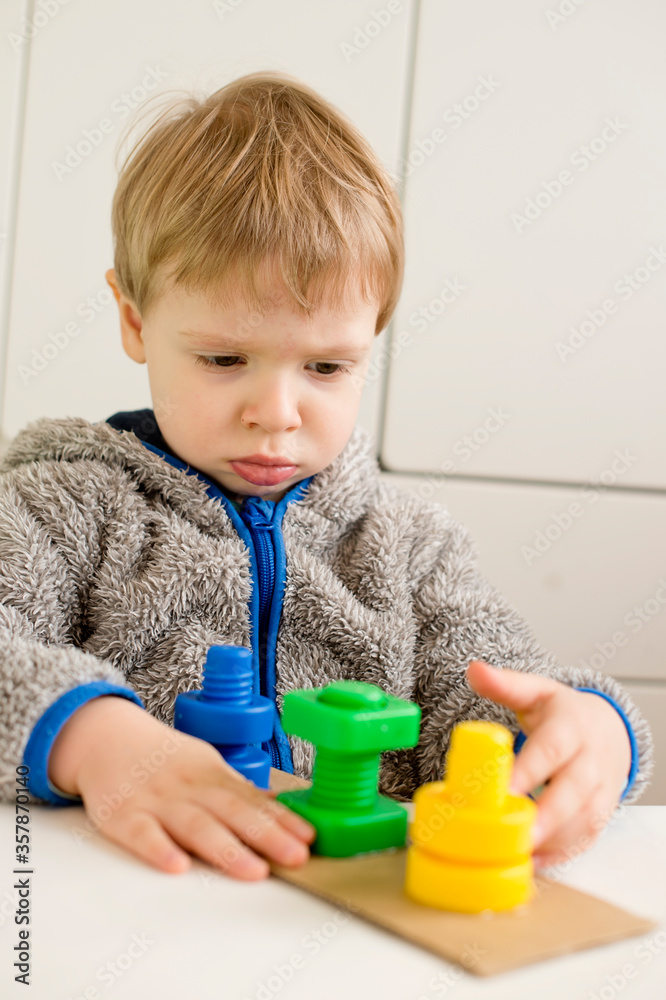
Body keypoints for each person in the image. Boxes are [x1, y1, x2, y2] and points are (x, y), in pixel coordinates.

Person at [0, 71, 653, 882]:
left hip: (354, 921)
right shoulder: (62, 509)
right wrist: (91, 739)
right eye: (224, 359)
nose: (277, 412)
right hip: (129, 903)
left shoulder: (409, 547)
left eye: (327, 365)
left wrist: (580, 734)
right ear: (136, 321)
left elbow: (485, 694)